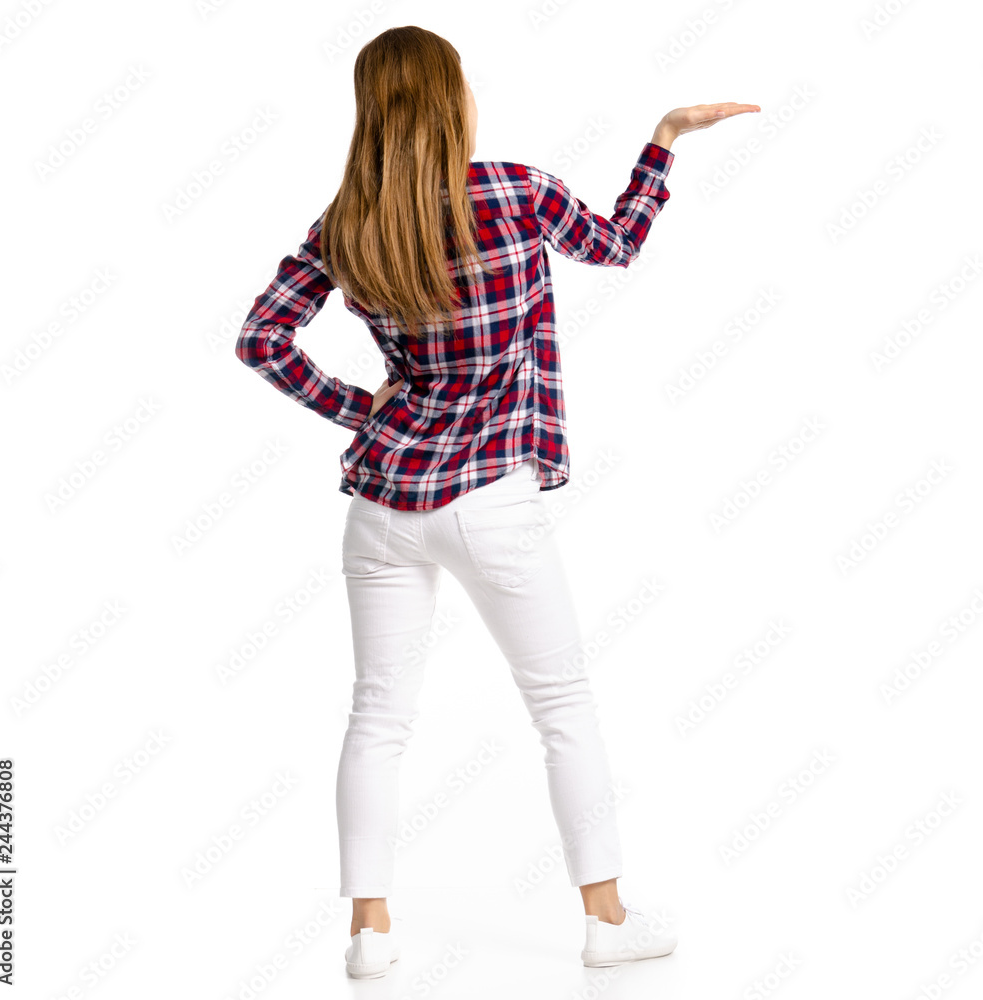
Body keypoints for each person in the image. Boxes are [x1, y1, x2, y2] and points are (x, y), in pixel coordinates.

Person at [234, 24, 759, 979]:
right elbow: (616, 242)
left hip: (383, 505)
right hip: (491, 498)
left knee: (378, 717)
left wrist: (363, 408)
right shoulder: (514, 191)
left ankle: (369, 934)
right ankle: (606, 922)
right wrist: (664, 140)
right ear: (450, 99)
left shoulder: (345, 224)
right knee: (562, 703)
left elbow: (261, 340)